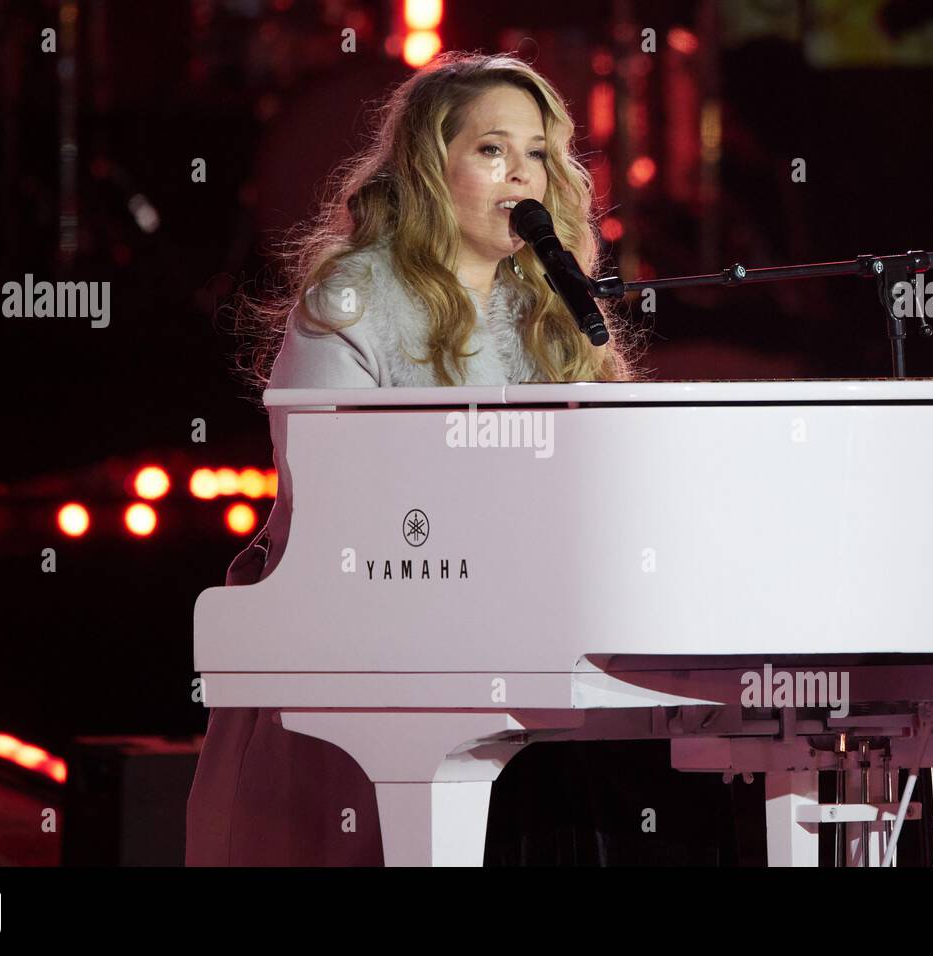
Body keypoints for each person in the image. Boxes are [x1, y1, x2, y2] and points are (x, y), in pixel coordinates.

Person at [186, 51, 646, 866]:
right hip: (375, 648)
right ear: (431, 166)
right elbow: (336, 507)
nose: (521, 175)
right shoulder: (352, 297)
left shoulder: (551, 309)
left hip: (537, 651)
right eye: (492, 150)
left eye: (538, 153)